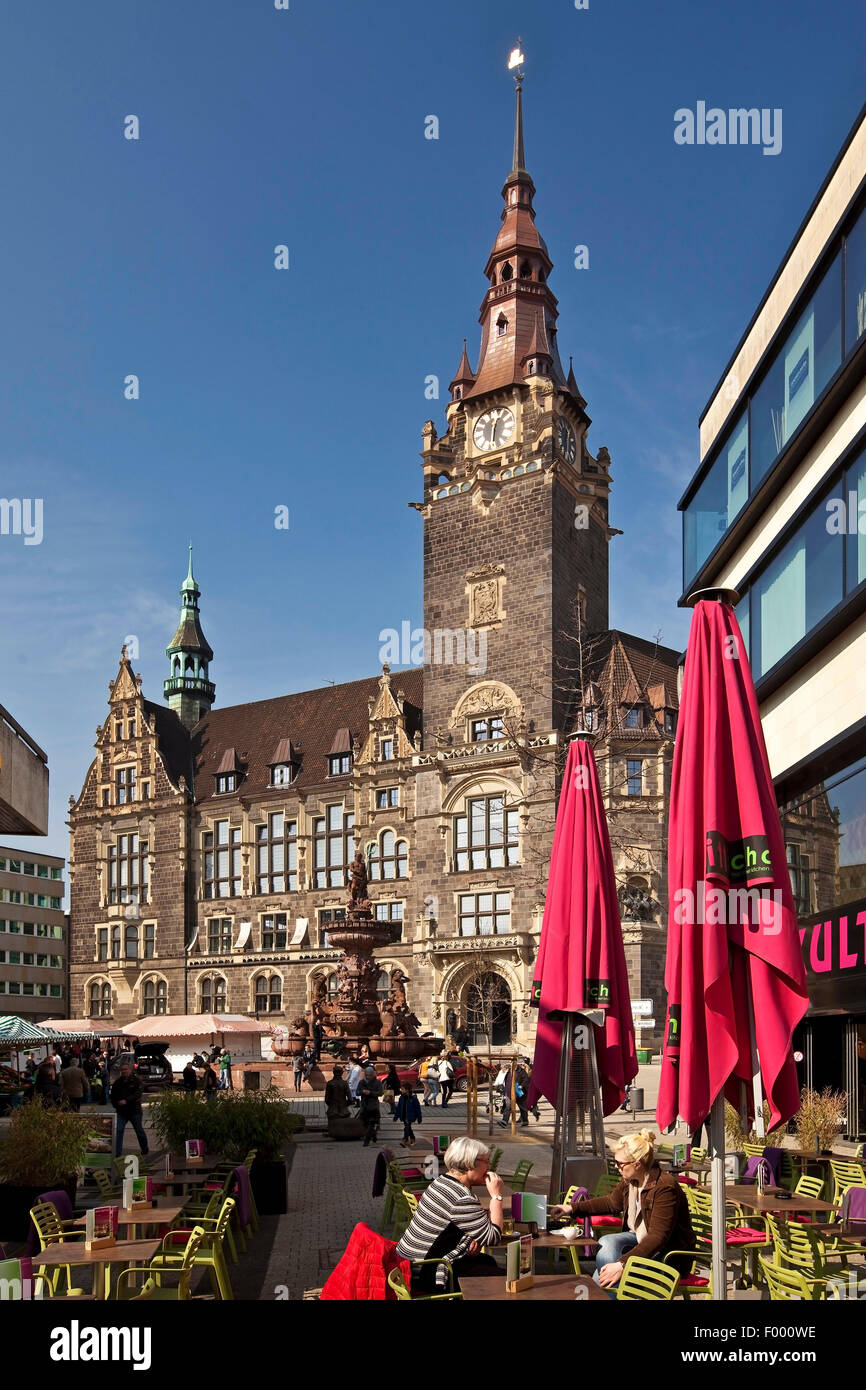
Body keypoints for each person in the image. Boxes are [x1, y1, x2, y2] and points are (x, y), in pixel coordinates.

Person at [551, 1129, 696, 1294]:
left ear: (637, 1164)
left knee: (606, 1271)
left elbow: (658, 1237)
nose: (616, 1167)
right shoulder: (631, 1180)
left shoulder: (664, 1187)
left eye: (620, 1163)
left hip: (668, 1253)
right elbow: (611, 1202)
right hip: (640, 1238)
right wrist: (572, 1208)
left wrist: (622, 1264)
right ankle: (616, 1292)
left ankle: (610, 1292)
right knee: (606, 1243)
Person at [395, 1136, 503, 1293]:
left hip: (410, 1264)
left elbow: (466, 1222)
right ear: (468, 1164)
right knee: (503, 1280)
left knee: (488, 1261)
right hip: (428, 1271)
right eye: (486, 1161)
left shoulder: (441, 1182)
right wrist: (496, 1196)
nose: (489, 1166)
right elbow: (493, 1237)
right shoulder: (461, 1196)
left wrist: (475, 1235)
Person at [110, 1062, 149, 1157]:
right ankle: (117, 1153)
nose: (124, 1071)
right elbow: (113, 1095)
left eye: (125, 1069)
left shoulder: (136, 1081)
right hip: (121, 1112)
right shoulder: (118, 1082)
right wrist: (116, 1105)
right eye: (122, 1070)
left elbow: (138, 1094)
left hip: (134, 1111)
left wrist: (126, 1100)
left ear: (130, 1070)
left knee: (139, 1131)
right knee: (118, 1131)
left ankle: (145, 1149)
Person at [358, 1066, 383, 1147]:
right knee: (365, 1124)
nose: (368, 1076)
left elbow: (380, 1093)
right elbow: (357, 1092)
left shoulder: (377, 1082)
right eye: (367, 1075)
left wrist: (370, 1093)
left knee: (371, 1123)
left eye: (370, 1075)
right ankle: (373, 1134)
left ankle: (366, 1141)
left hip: (373, 1106)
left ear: (373, 1074)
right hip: (364, 1105)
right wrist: (362, 1091)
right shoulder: (362, 1082)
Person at [394, 1082, 422, 1148]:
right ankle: (412, 1138)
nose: (401, 1090)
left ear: (407, 1090)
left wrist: (419, 1118)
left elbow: (418, 1108)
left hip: (410, 1116)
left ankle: (404, 1140)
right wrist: (396, 1116)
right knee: (408, 1128)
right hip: (403, 1116)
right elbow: (398, 1108)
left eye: (403, 1089)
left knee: (406, 1127)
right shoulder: (401, 1098)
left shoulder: (413, 1098)